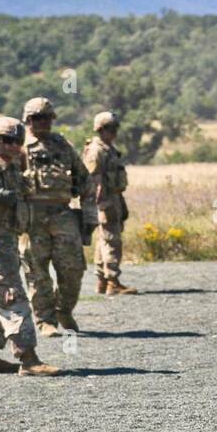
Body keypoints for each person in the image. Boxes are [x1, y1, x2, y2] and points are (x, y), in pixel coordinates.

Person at [0, 116, 60, 376]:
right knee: (12, 296)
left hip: (8, 242)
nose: (12, 145)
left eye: (17, 141)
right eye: (6, 140)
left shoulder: (13, 169)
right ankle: (28, 358)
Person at [20, 97, 94, 335]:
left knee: (73, 269)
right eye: (37, 118)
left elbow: (84, 181)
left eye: (47, 118)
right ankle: (45, 320)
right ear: (28, 120)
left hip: (63, 215)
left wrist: (89, 218)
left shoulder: (63, 146)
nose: (42, 123)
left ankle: (64, 309)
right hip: (32, 219)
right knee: (37, 272)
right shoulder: (18, 147)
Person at [83, 111, 137, 295]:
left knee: (104, 240)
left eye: (115, 128)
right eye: (110, 129)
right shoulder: (97, 150)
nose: (114, 132)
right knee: (112, 240)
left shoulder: (108, 148)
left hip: (113, 197)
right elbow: (94, 180)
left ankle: (103, 281)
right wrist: (101, 204)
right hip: (105, 200)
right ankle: (112, 281)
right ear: (100, 129)